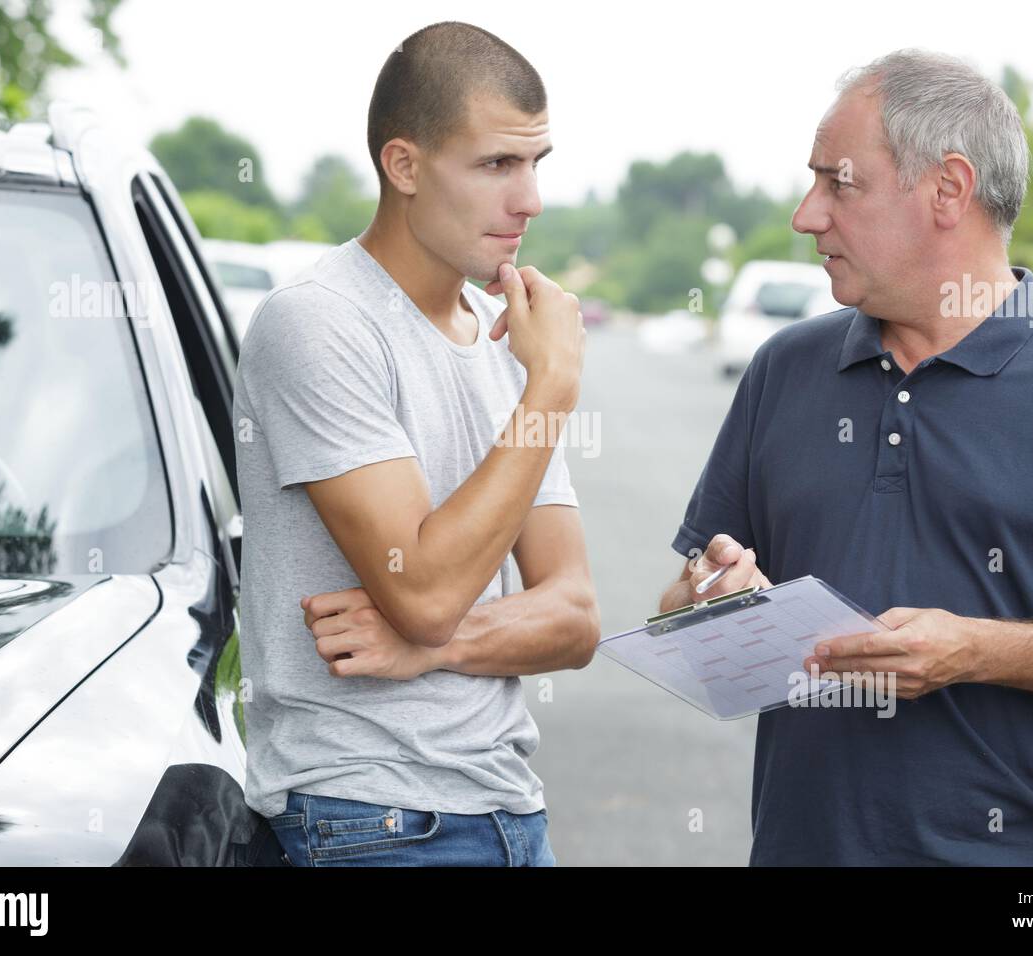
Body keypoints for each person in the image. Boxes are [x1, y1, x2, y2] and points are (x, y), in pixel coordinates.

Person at [661, 49, 1033, 866]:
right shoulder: (784, 369)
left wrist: (981, 650)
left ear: (948, 189)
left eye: (839, 183)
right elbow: (689, 625)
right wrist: (711, 604)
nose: (808, 214)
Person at [233, 21, 599, 867]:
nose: (530, 199)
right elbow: (424, 591)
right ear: (403, 165)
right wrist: (552, 387)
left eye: (537, 162)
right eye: (496, 164)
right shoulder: (320, 322)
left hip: (512, 812)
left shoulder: (506, 344)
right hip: (369, 815)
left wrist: (435, 645)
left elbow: (575, 617)